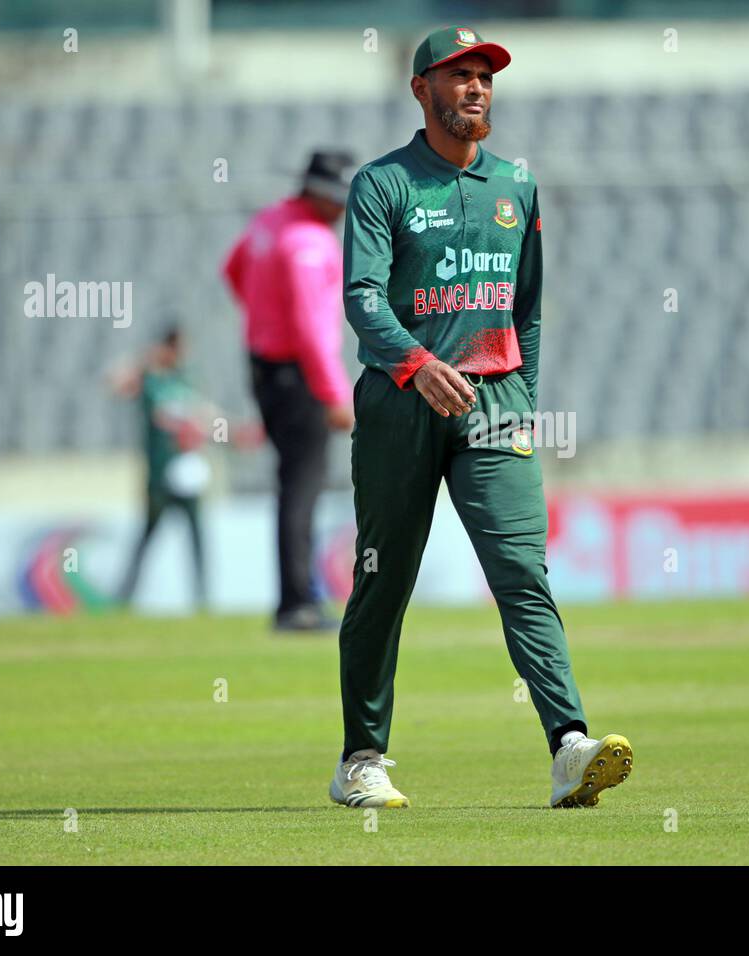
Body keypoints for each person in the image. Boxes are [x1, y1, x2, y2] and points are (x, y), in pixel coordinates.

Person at [328, 26, 633, 810]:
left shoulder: (517, 187)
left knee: (522, 573)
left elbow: (525, 305)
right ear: (420, 89)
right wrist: (415, 365)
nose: (476, 88)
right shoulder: (383, 183)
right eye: (458, 75)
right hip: (401, 402)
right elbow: (361, 298)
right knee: (381, 581)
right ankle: (361, 758)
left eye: (485, 76)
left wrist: (522, 394)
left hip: (493, 404)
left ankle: (569, 747)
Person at [223, 151, 357, 632]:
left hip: (263, 367)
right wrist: (335, 393)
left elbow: (233, 271)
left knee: (292, 484)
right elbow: (310, 328)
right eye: (338, 200)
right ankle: (297, 603)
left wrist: (263, 318)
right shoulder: (308, 242)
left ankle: (294, 599)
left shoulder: (269, 221)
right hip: (296, 374)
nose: (342, 210)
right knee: (303, 486)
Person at [112, 327, 210, 610]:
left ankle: (202, 598)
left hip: (187, 476)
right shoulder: (150, 381)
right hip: (159, 476)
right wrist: (145, 359)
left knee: (196, 539)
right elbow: (114, 382)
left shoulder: (185, 381)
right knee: (147, 538)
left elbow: (204, 414)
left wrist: (233, 431)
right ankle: (125, 595)